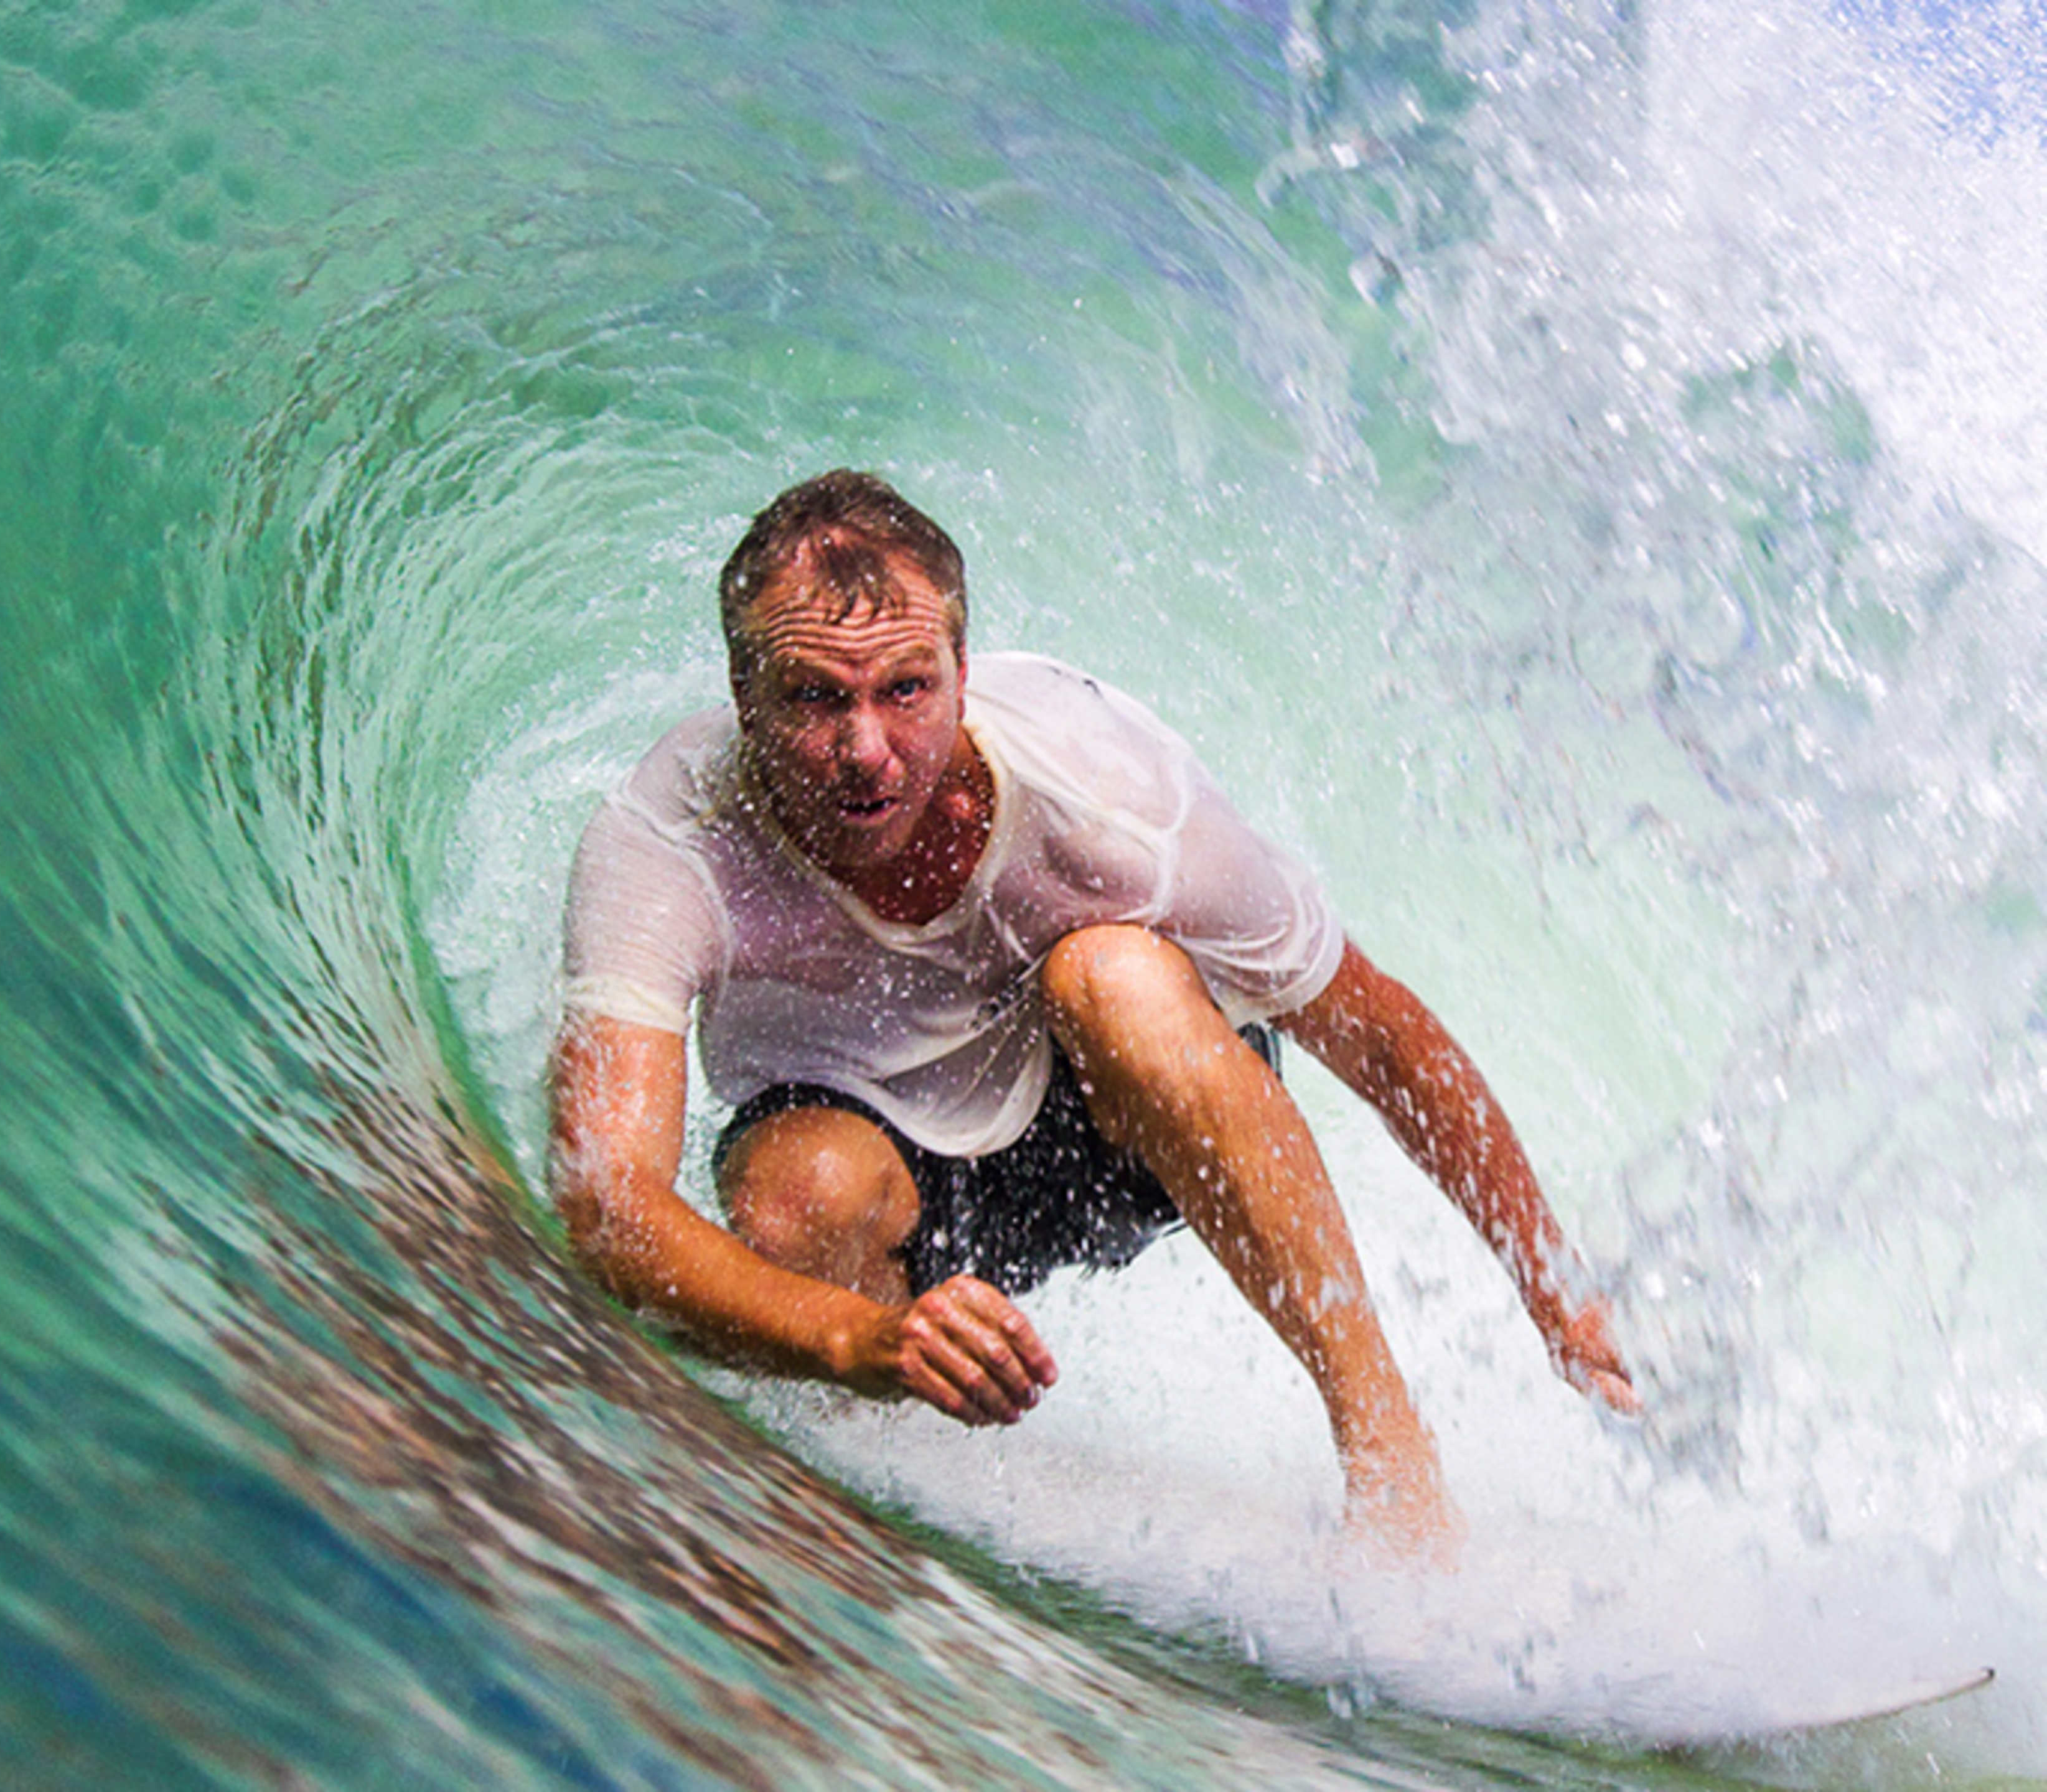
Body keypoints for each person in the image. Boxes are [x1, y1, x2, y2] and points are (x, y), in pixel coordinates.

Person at [549, 469, 1635, 1550]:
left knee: (1112, 975)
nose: (868, 751)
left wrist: (1555, 1291)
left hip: (1111, 1138)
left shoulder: (1107, 795)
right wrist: (862, 1340)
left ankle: (1391, 1460)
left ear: (963, 674)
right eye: (817, 698)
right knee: (796, 1195)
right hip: (897, 1207)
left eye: (907, 690)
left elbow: (1378, 1033)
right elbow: (607, 1203)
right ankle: (859, 1513)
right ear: (746, 695)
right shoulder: (670, 839)